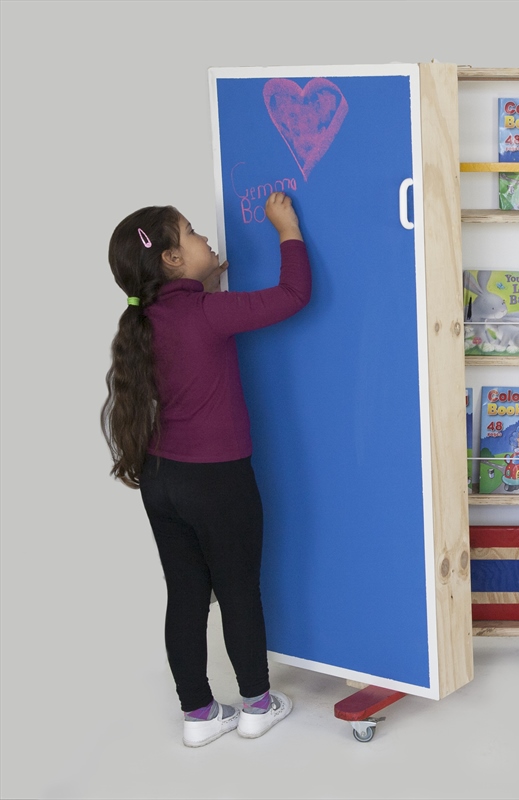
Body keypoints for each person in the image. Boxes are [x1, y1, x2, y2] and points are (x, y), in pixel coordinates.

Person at [101, 193, 311, 747]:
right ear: (171, 260)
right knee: (239, 591)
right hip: (218, 480)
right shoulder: (208, 313)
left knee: (186, 595)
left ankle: (198, 715)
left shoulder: (147, 320)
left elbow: (192, 322)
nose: (204, 239)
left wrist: (209, 279)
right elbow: (294, 295)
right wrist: (287, 230)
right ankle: (258, 706)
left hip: (161, 480)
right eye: (191, 233)